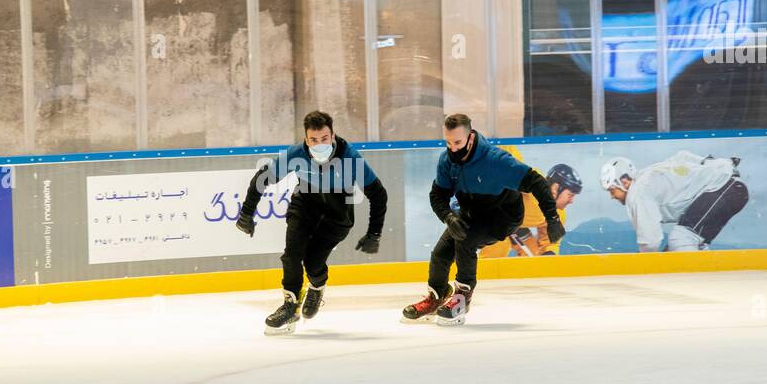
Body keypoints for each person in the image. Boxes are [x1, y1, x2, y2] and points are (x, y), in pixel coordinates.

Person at [401, 114, 563, 326]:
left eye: (457, 142)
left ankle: (462, 299)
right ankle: (436, 297)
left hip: (502, 217)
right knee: (440, 254)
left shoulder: (495, 160)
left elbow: (537, 182)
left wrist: (552, 218)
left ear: (470, 137)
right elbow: (438, 196)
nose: (453, 149)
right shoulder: (447, 160)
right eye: (447, 143)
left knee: (465, 241)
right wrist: (448, 218)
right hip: (470, 212)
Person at [237, 111, 387, 334]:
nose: (319, 144)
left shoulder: (349, 157)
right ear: (306, 139)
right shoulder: (296, 154)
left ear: (332, 135)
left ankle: (316, 286)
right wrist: (246, 214)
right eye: (313, 140)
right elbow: (261, 178)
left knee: (313, 263)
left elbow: (378, 194)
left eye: (324, 138)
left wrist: (374, 233)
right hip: (304, 207)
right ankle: (290, 305)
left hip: (338, 216)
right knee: (291, 255)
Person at [600, 150, 748, 252]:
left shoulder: (638, 192)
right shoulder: (649, 175)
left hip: (724, 187)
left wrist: (642, 267)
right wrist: (710, 162)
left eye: (612, 190)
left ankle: (700, 284)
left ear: (625, 182)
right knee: (680, 246)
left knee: (681, 239)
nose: (612, 196)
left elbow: (651, 242)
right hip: (731, 188)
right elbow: (681, 157)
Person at [510, 163, 582, 256]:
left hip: (516, 226)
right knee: (496, 251)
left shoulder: (558, 214)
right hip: (492, 217)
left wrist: (549, 255)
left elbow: (550, 242)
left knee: (531, 254)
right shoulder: (533, 181)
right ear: (556, 188)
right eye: (570, 195)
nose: (572, 201)